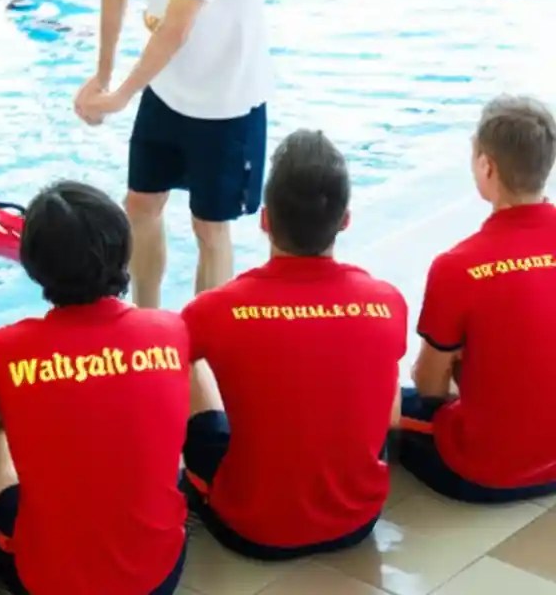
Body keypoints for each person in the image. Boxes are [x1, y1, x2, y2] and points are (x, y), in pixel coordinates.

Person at [180, 129, 405, 559]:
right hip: (357, 520)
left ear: (264, 220)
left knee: (188, 362)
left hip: (253, 528)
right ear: (345, 221)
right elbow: (391, 417)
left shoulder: (214, 310)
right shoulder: (386, 302)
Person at [0, 180, 189, 595]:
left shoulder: (6, 348)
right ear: (123, 248)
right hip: (158, 576)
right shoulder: (169, 330)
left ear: (32, 264)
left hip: (48, 583)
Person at [73, 0, 273, 308]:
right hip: (166, 90)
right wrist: (102, 77)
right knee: (140, 205)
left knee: (210, 227)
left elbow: (177, 27)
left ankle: (204, 346)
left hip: (225, 101)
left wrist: (122, 95)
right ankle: (148, 318)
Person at [400, 95, 556, 502]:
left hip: (485, 472)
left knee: (395, 406)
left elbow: (430, 386)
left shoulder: (458, 266)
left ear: (487, 167)